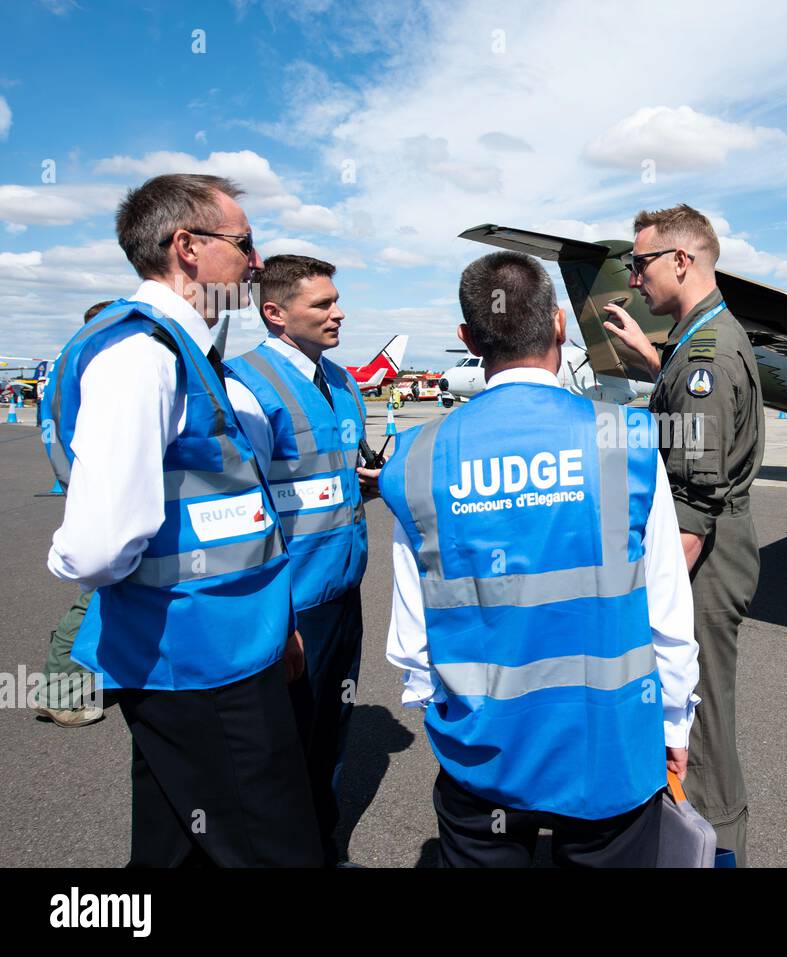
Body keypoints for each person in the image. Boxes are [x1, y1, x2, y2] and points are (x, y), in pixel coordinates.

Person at [381, 250, 699, 867]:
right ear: (558, 322)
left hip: (482, 755)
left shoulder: (419, 456)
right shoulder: (625, 440)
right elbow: (667, 606)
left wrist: (443, 714)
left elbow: (412, 632)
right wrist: (674, 723)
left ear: (468, 339)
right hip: (610, 751)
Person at [41, 173, 320, 867]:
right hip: (198, 663)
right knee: (275, 849)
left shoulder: (184, 350)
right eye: (245, 243)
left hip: (216, 649)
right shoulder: (141, 355)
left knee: (175, 849)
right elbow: (101, 541)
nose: (257, 263)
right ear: (187, 246)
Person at [602, 204, 765, 866]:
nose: (633, 280)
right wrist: (655, 363)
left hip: (701, 560)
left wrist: (636, 598)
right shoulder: (701, 341)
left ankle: (716, 849)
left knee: (698, 724)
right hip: (717, 550)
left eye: (638, 265)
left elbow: (694, 504)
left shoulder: (704, 357)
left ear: (681, 260)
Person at [225, 255, 369, 866]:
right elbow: (241, 513)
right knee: (280, 743)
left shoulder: (340, 380)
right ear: (275, 313)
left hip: (343, 590)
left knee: (330, 732)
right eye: (322, 304)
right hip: (290, 603)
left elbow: (326, 482)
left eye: (337, 300)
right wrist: (277, 622)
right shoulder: (244, 386)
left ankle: (319, 846)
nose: (338, 313)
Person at [34, 301, 113, 728]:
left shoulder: (68, 371)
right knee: (94, 599)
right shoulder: (90, 374)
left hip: (85, 494)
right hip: (100, 500)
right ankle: (58, 693)